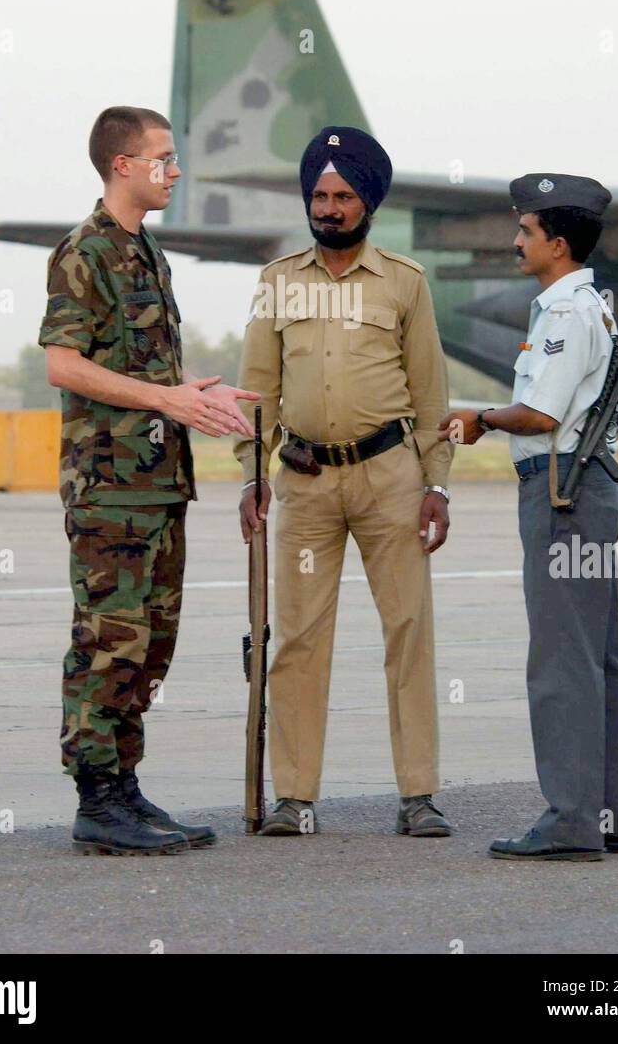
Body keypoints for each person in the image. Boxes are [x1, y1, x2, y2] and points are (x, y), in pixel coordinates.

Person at [39, 105, 259, 855]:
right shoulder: (84, 252)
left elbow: (141, 370)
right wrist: (168, 399)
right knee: (108, 639)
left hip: (159, 483)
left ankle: (125, 786)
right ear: (121, 165)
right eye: (162, 158)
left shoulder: (146, 252)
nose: (173, 171)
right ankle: (96, 798)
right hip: (109, 490)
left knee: (149, 644)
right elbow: (63, 364)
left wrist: (194, 392)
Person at [236, 125, 453, 837]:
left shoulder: (404, 284)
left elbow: (429, 394)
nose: (327, 207)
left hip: (391, 478)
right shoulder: (276, 283)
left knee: (408, 631)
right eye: (318, 195)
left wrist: (436, 485)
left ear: (368, 202)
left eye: (342, 195)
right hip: (301, 482)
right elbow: (256, 388)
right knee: (296, 638)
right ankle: (294, 799)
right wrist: (251, 476)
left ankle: (417, 795)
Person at [440, 173, 618, 861]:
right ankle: (609, 814)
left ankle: (569, 820)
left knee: (561, 662)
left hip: (561, 492)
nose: (514, 240)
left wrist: (478, 418)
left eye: (524, 231)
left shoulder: (562, 313)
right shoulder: (589, 306)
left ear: (556, 243)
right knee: (596, 659)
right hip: (588, 490)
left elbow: (541, 413)